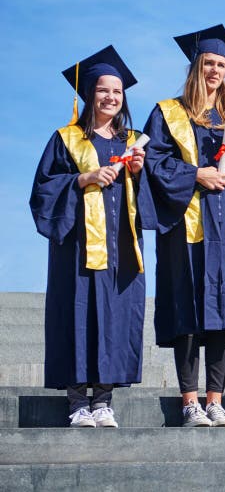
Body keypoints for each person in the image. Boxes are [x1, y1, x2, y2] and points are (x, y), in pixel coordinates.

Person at [143, 24, 225, 427]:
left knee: (224, 313)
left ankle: (216, 400)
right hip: (188, 228)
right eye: (209, 63)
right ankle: (189, 400)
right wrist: (197, 174)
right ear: (196, 67)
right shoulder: (168, 113)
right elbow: (156, 162)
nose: (215, 71)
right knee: (190, 312)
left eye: (221, 65)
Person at [30, 45, 151, 427]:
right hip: (78, 248)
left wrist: (138, 171)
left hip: (120, 250)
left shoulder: (132, 142)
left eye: (117, 92)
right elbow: (43, 190)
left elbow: (151, 197)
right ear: (89, 95)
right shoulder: (66, 139)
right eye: (103, 90)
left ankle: (104, 400)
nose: (111, 97)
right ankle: (77, 401)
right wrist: (84, 178)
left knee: (115, 317)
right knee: (78, 314)